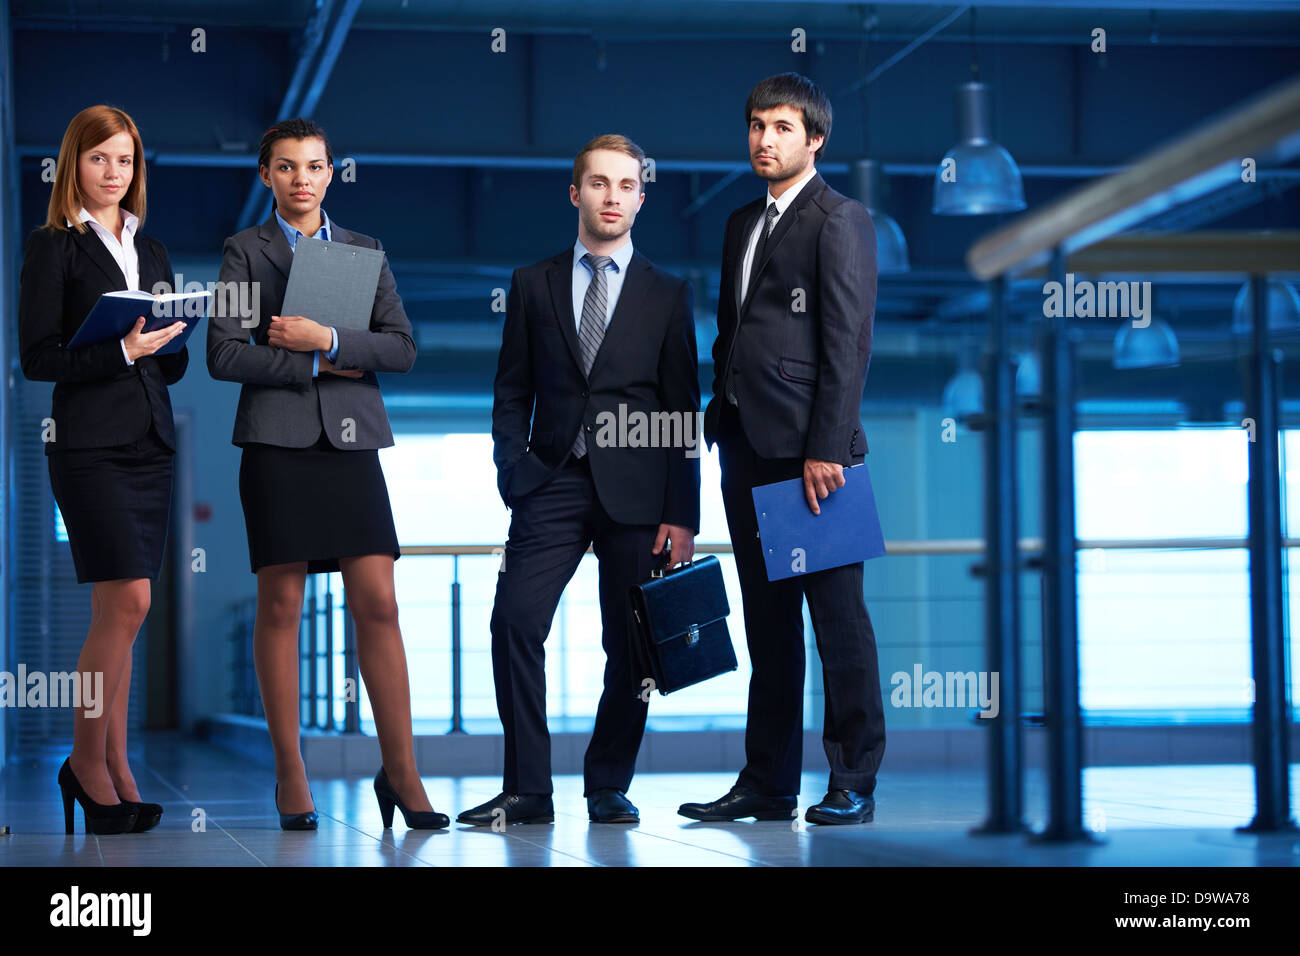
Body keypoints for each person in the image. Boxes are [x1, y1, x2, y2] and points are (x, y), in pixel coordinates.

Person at [207, 117, 447, 830]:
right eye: (286, 168)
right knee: (281, 606)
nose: (301, 179)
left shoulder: (362, 250)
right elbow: (222, 354)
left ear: (331, 173)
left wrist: (329, 340)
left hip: (351, 446)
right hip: (277, 447)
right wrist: (312, 361)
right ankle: (291, 775)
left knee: (379, 602)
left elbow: (403, 349)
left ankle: (402, 773)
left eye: (314, 166)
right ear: (267, 177)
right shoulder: (243, 252)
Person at [458, 134, 699, 826]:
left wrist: (683, 514)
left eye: (626, 186)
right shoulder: (532, 283)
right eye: (599, 184)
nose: (612, 197)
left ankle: (607, 783)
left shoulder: (668, 293)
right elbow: (512, 390)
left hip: (641, 493)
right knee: (514, 621)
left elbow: (685, 410)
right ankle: (529, 789)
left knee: (630, 645)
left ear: (641, 198)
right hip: (551, 483)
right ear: (576, 193)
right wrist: (512, 468)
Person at [679, 73, 885, 825]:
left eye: (783, 128)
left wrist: (825, 446)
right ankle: (768, 782)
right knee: (768, 626)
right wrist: (717, 409)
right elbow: (737, 334)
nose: (766, 139)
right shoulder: (741, 223)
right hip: (746, 445)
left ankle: (854, 779)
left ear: (815, 139)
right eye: (757, 125)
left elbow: (848, 340)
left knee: (838, 624)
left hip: (814, 456)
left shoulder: (840, 219)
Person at [19, 105, 188, 834]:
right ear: (72, 166)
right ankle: (87, 762)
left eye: (124, 160)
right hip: (88, 445)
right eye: (98, 159)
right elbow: (39, 358)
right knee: (127, 605)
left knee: (125, 608)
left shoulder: (149, 252)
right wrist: (123, 351)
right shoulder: (52, 246)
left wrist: (171, 332)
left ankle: (116, 767)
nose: (112, 172)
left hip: (148, 441)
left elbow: (170, 364)